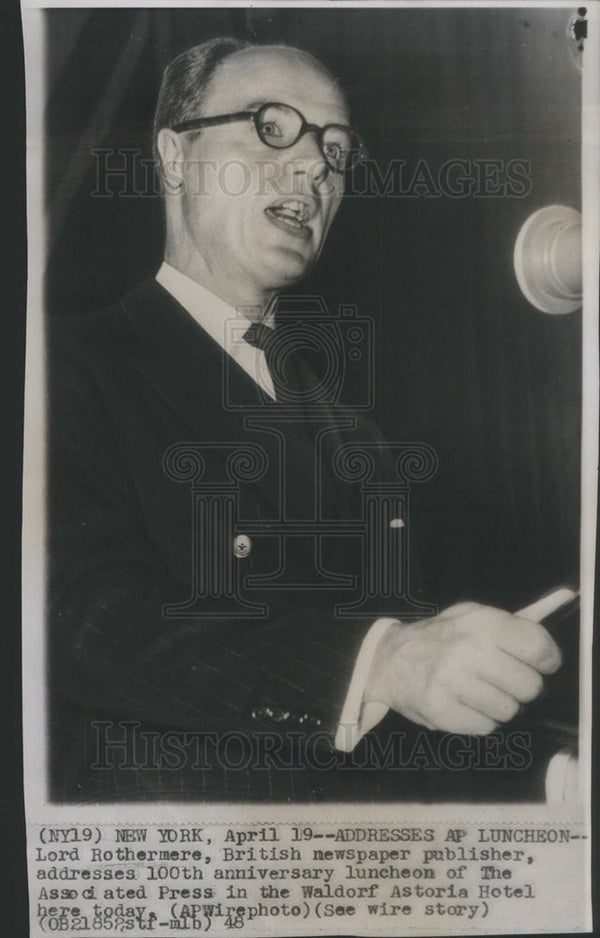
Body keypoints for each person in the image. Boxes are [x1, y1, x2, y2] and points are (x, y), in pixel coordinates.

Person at [47, 37, 561, 802]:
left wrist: (545, 780)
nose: (316, 167)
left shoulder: (358, 438)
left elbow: (401, 732)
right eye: (272, 127)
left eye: (336, 148)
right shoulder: (58, 368)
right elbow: (82, 624)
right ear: (175, 158)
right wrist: (380, 662)